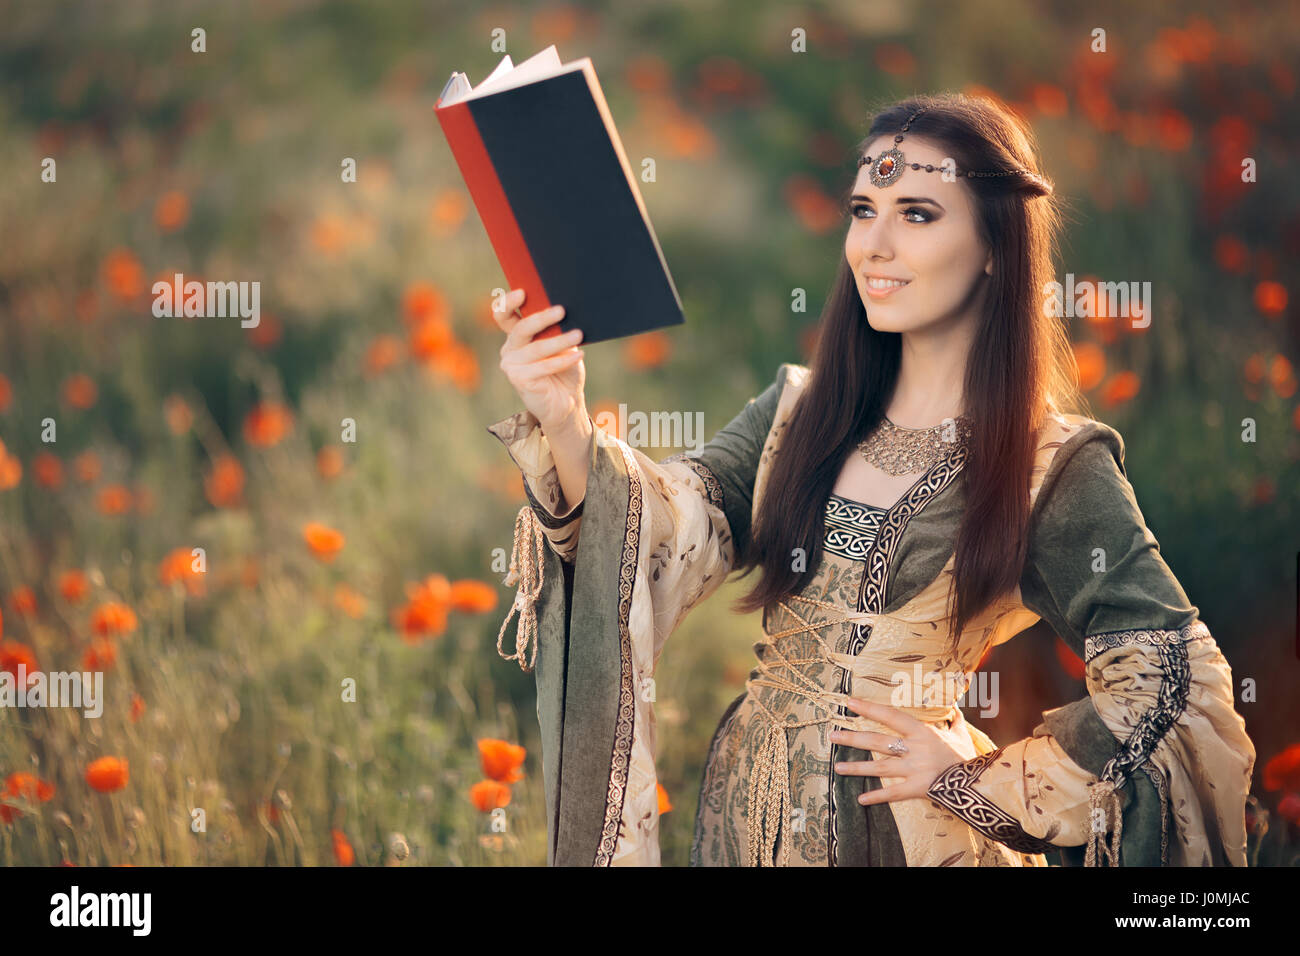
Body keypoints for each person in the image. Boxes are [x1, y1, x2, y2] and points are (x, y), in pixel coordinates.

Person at [485, 93, 1255, 867]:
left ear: (995, 244)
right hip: (748, 818)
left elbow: (1175, 682)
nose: (874, 246)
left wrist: (972, 778)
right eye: (863, 209)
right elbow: (657, 530)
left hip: (904, 834)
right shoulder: (797, 412)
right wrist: (564, 418)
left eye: (917, 214)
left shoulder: (1047, 464)